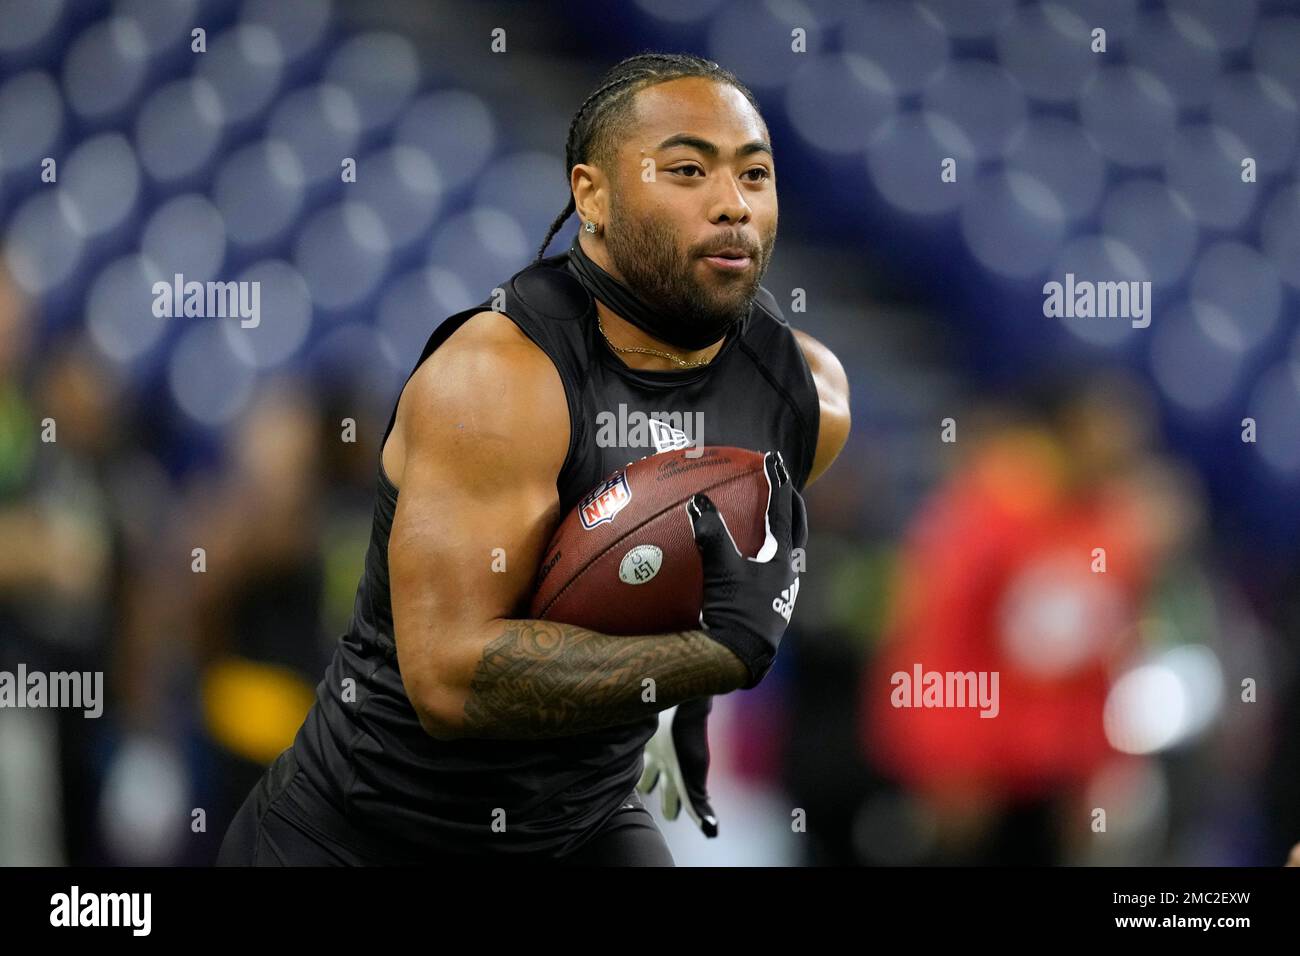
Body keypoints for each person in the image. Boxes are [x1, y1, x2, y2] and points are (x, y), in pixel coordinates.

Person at [216, 52, 850, 866]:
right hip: (366, 834)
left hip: (574, 823)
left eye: (754, 175)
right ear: (592, 195)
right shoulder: (500, 380)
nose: (732, 205)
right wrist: (701, 663)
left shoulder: (807, 401)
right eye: (688, 170)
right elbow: (448, 680)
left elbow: (652, 580)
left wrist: (662, 705)